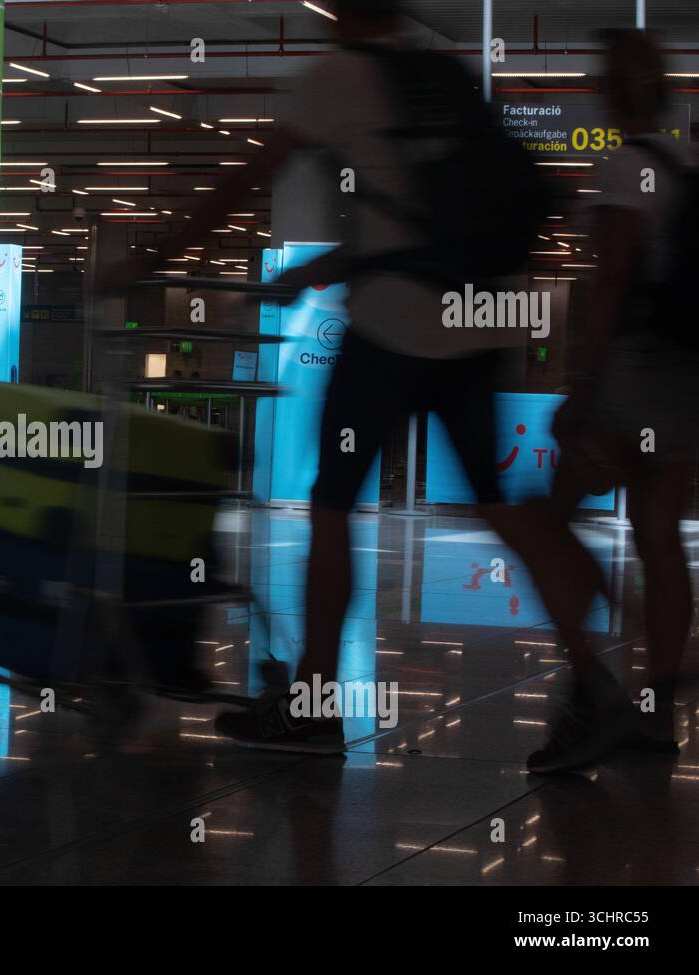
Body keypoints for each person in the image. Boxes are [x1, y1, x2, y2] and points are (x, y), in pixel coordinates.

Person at [110, 0, 587, 753]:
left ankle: (314, 703)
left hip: (393, 330)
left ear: (343, 13)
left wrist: (154, 258)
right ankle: (596, 682)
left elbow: (246, 181)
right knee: (496, 504)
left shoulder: (340, 76)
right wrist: (318, 270)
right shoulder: (441, 75)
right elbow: (421, 229)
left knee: (332, 505)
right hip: (476, 318)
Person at [522, 30, 699, 773]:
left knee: (544, 517)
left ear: (611, 91)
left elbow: (610, 290)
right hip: (687, 377)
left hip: (633, 377)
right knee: (658, 535)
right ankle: (656, 714)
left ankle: (594, 686)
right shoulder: (690, 165)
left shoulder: (628, 168)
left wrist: (580, 391)